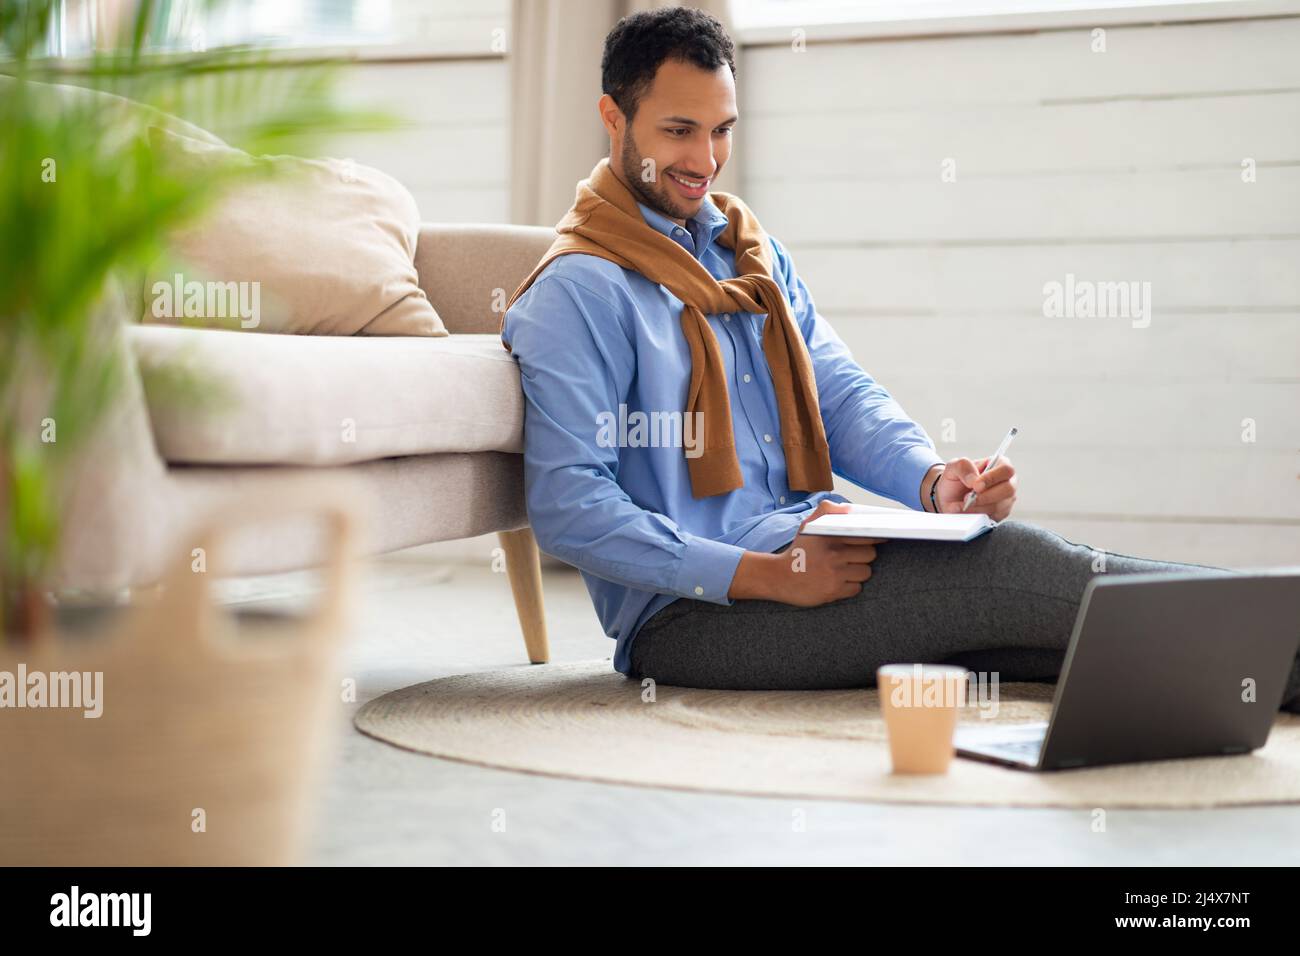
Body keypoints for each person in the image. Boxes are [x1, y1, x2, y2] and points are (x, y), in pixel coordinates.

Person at [501, 7, 1300, 709]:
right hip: (692, 619)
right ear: (614, 117)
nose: (706, 160)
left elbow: (836, 392)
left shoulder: (745, 252)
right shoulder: (581, 291)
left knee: (1034, 641)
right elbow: (570, 507)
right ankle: (1280, 626)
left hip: (811, 542)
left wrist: (929, 482)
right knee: (1010, 569)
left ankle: (1278, 663)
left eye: (722, 130)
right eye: (679, 130)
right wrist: (766, 575)